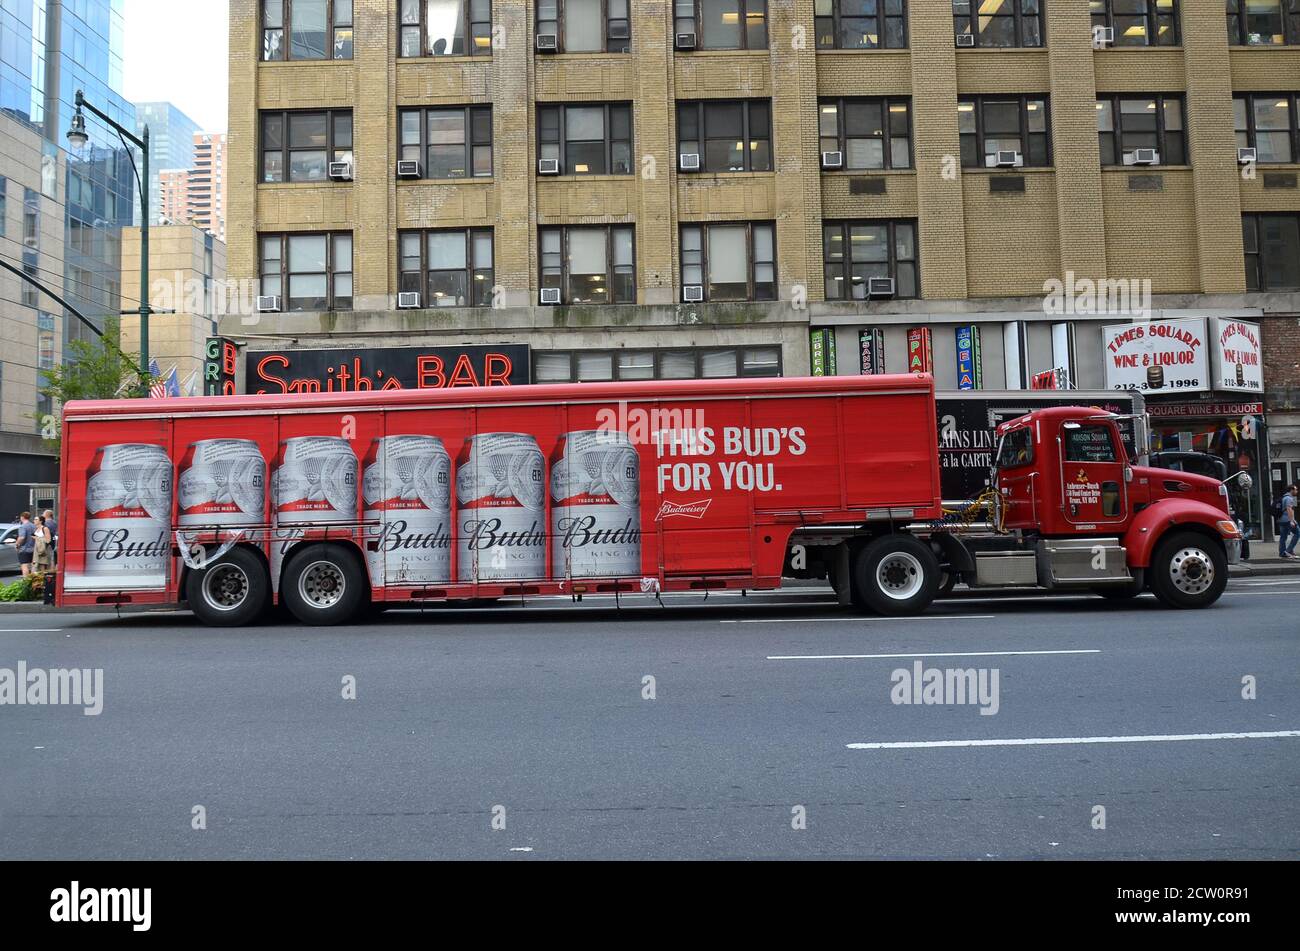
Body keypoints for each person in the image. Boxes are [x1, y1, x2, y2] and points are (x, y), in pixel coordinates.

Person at [1279, 485, 1299, 559]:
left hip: (1281, 519)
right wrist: (1292, 521)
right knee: (1297, 533)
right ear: (1291, 490)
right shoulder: (1289, 498)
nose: (1297, 491)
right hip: (1287, 519)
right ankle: (1288, 551)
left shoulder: (1284, 497)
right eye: (1296, 489)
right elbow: (1289, 509)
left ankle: (1282, 553)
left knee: (1283, 537)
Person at [15, 511, 35, 577]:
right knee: (33, 566)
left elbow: (22, 537)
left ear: (22, 517)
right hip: (33, 549)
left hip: (24, 549)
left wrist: (17, 544)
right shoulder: (33, 526)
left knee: (24, 566)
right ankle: (34, 581)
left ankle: (26, 582)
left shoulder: (23, 526)